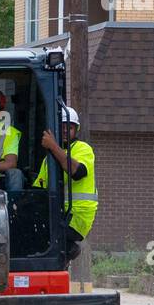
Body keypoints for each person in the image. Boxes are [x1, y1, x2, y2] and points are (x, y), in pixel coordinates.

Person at [33, 106, 97, 261]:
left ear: (76, 129)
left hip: (77, 215)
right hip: (60, 213)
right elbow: (38, 189)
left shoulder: (83, 148)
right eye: (61, 127)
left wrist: (53, 146)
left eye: (70, 127)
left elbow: (77, 172)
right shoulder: (49, 159)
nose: (65, 130)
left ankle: (69, 248)